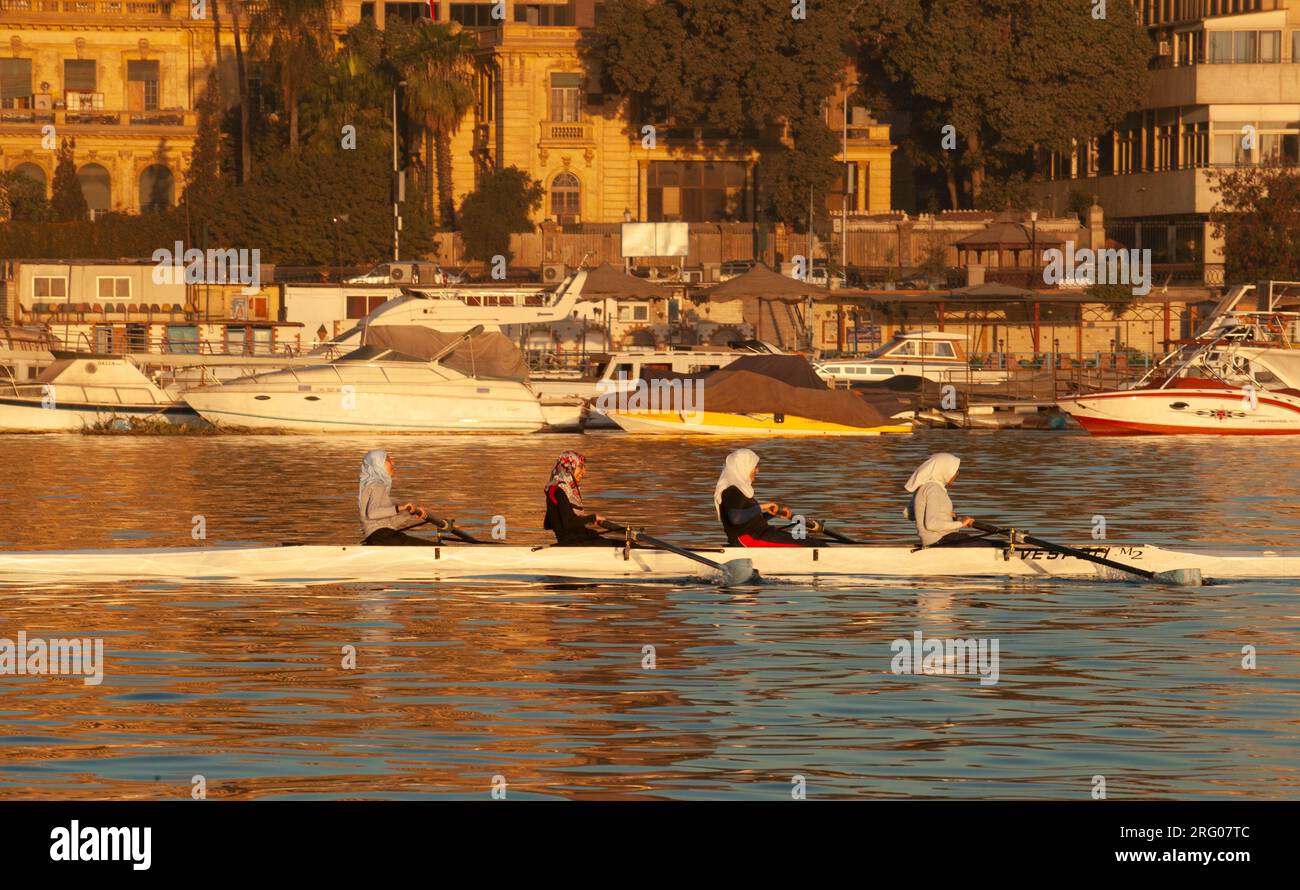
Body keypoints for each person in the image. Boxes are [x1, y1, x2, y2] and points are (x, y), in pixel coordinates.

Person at [714, 448, 806, 547]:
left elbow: (748, 520)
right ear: (743, 467)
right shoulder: (731, 490)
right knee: (808, 545)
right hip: (748, 539)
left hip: (758, 535)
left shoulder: (740, 489)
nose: (758, 470)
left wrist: (772, 514)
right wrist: (761, 507)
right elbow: (736, 519)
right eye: (755, 467)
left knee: (809, 541)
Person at [903, 453, 988, 547]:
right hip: (942, 540)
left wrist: (947, 516)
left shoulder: (924, 486)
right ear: (944, 470)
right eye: (955, 470)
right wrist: (960, 523)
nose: (957, 473)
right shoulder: (933, 489)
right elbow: (931, 524)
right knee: (998, 545)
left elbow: (908, 514)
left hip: (939, 539)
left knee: (989, 543)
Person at [358, 449, 438, 546]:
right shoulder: (377, 485)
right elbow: (372, 514)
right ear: (377, 464)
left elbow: (389, 524)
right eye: (387, 459)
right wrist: (400, 508)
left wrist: (409, 512)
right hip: (383, 537)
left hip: (379, 538)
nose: (393, 462)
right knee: (440, 548)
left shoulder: (372, 486)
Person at [543, 451, 613, 546]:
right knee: (622, 545)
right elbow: (568, 523)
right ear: (569, 467)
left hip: (580, 539)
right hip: (575, 543)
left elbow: (548, 524)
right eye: (580, 466)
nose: (584, 471)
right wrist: (593, 517)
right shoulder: (558, 489)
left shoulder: (561, 488)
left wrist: (585, 519)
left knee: (620, 543)